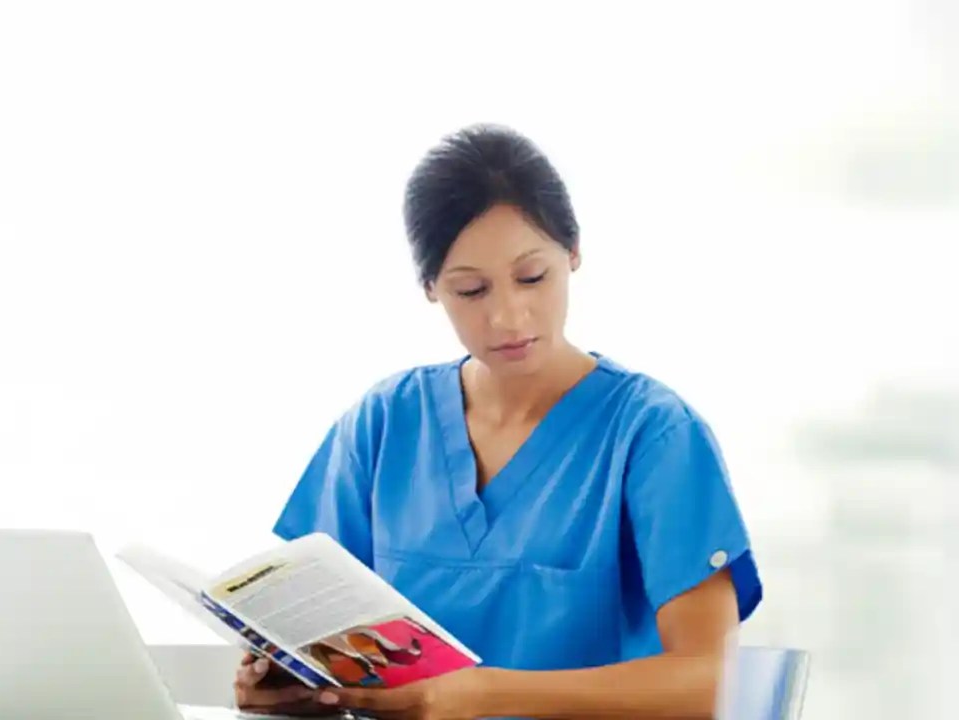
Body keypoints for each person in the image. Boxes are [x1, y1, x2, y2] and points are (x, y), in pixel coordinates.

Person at [233, 124, 762, 719]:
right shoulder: (383, 425)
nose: (508, 316)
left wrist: (488, 693)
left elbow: (708, 684)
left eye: (532, 277)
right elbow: (321, 635)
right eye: (471, 290)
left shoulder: (653, 435)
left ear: (574, 253)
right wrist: (290, 687)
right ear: (431, 288)